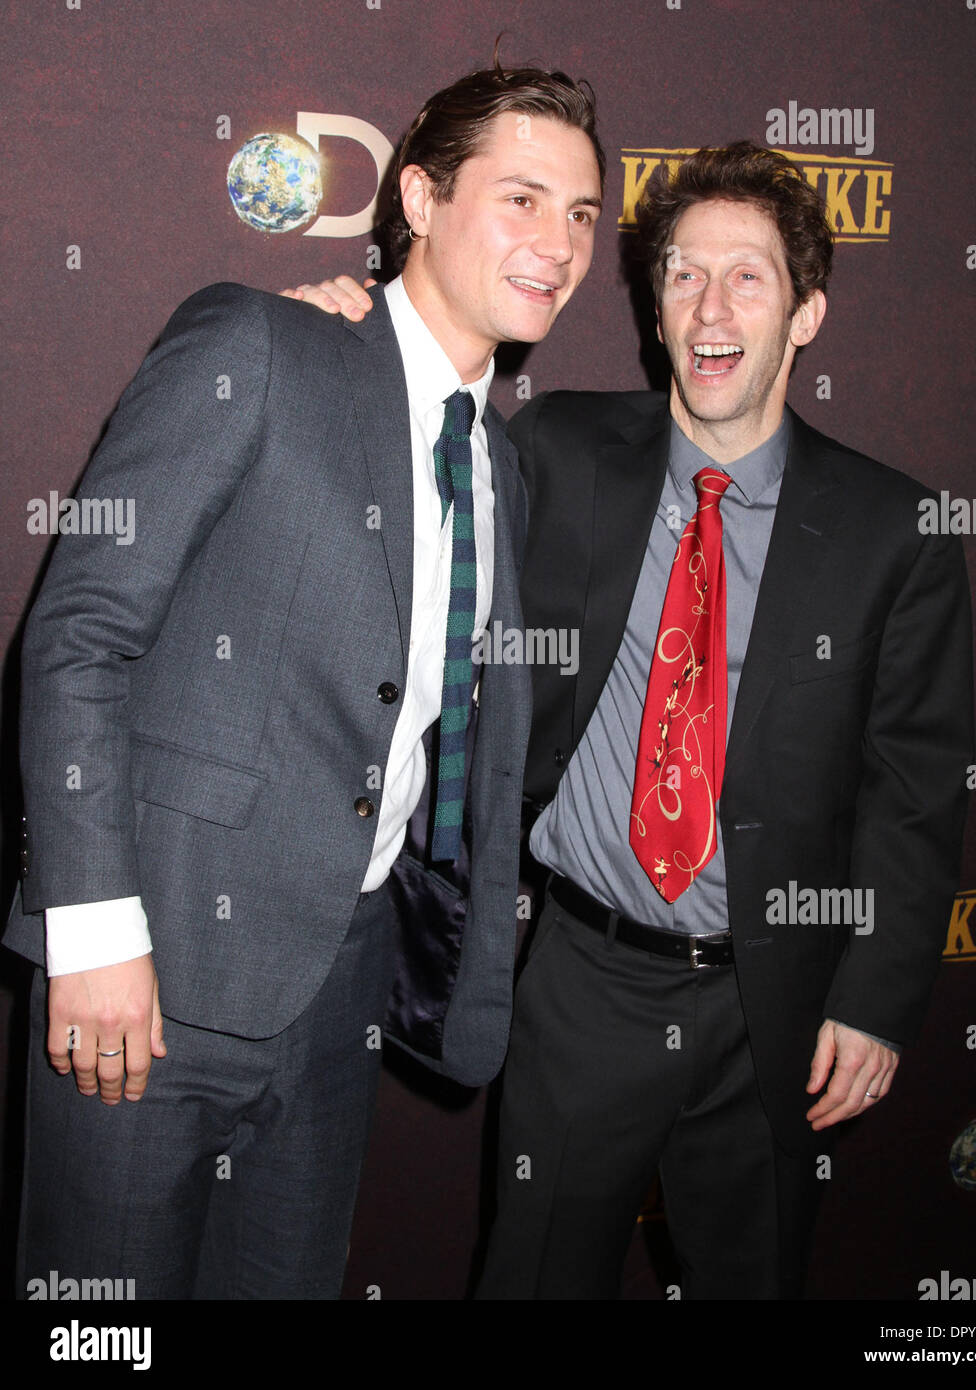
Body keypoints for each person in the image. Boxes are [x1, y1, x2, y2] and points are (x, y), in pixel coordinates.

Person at [288, 141, 974, 1300]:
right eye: (681, 277)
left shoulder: (889, 531)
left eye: (746, 278)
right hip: (584, 982)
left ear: (804, 314)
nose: (708, 308)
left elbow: (912, 791)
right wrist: (333, 341)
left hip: (780, 1003)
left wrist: (875, 997)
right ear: (651, 310)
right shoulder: (553, 450)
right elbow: (413, 456)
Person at [6, 64, 604, 1300]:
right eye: (523, 199)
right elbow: (78, 636)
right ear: (420, 197)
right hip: (148, 973)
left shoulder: (500, 456)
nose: (558, 245)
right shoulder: (263, 342)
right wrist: (96, 928)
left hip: (341, 995)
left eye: (582, 216)